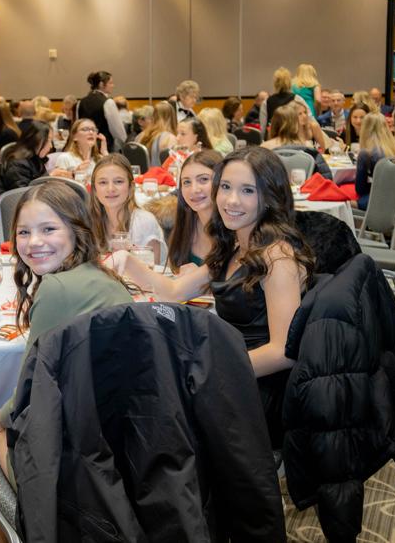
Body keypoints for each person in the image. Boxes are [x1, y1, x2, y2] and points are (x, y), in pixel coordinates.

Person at [115, 147, 315, 446]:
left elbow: (283, 353)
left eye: (247, 190)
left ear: (270, 196)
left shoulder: (276, 256)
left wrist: (207, 370)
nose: (231, 200)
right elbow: (173, 290)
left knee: (150, 405)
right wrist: (124, 261)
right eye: (225, 187)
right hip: (232, 366)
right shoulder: (235, 245)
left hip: (259, 388)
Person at [0, 181, 133, 483]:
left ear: (77, 230)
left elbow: (30, 388)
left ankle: (30, 525)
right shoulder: (101, 275)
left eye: (48, 229)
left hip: (82, 455)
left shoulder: (57, 288)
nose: (34, 242)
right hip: (122, 437)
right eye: (24, 232)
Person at [89, 154, 166, 264]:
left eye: (118, 181)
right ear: (95, 190)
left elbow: (152, 273)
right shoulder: (89, 222)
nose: (111, 189)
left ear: (131, 187)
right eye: (103, 182)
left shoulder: (144, 222)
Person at [168, 150, 223, 273]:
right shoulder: (187, 224)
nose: (194, 189)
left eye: (203, 179)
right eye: (187, 182)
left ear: (221, 182)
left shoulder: (234, 231)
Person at [262, 104, 332, 178]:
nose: (304, 116)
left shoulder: (265, 147)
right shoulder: (307, 146)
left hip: (275, 188)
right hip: (302, 187)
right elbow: (325, 176)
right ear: (296, 123)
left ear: (274, 123)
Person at [355, 112, 395, 211]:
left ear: (365, 128)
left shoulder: (366, 153)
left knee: (346, 201)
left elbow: (360, 189)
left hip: (379, 202)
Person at [77, 70, 126, 152]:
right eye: (110, 83)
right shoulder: (108, 102)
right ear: (101, 84)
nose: (113, 85)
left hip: (84, 147)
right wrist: (125, 143)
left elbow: (78, 125)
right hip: (104, 147)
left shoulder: (80, 102)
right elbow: (118, 132)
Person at [0, 121, 51, 192]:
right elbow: (21, 195)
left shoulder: (35, 158)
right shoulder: (16, 164)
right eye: (48, 141)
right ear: (37, 141)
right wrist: (49, 177)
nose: (51, 146)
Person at [137, 101, 179, 167]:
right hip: (160, 176)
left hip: (142, 176)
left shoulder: (140, 136)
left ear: (153, 116)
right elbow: (173, 166)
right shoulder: (170, 138)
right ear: (173, 118)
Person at [262, 67, 296, 136]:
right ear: (289, 82)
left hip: (272, 139)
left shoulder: (266, 101)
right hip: (291, 138)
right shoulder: (297, 99)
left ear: (275, 83)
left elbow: (263, 127)